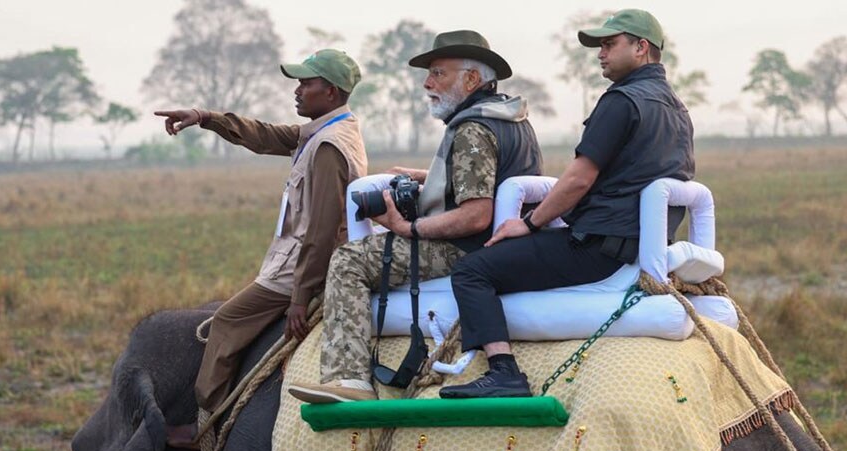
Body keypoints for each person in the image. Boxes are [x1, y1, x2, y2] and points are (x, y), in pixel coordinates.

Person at [435, 8, 695, 399]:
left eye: (609, 44)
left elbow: (578, 178)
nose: (600, 53)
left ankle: (503, 372)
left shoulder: (622, 101)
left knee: (474, 271)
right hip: (637, 243)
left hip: (598, 246)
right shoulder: (676, 107)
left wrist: (531, 223)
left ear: (641, 48)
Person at [287, 30, 543, 404]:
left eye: (438, 73)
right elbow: (486, 181)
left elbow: (475, 215)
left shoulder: (472, 129)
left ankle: (349, 380)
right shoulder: (511, 116)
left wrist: (408, 227)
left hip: (467, 247)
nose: (427, 83)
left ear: (472, 79)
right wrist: (435, 179)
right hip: (502, 244)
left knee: (348, 260)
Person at [155, 50, 368, 426]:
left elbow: (321, 231)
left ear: (332, 92)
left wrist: (300, 298)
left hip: (296, 272)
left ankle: (211, 423)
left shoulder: (329, 146)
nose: (298, 90)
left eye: (307, 83)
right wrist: (205, 118)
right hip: (293, 262)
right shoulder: (323, 132)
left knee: (226, 321)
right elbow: (264, 136)